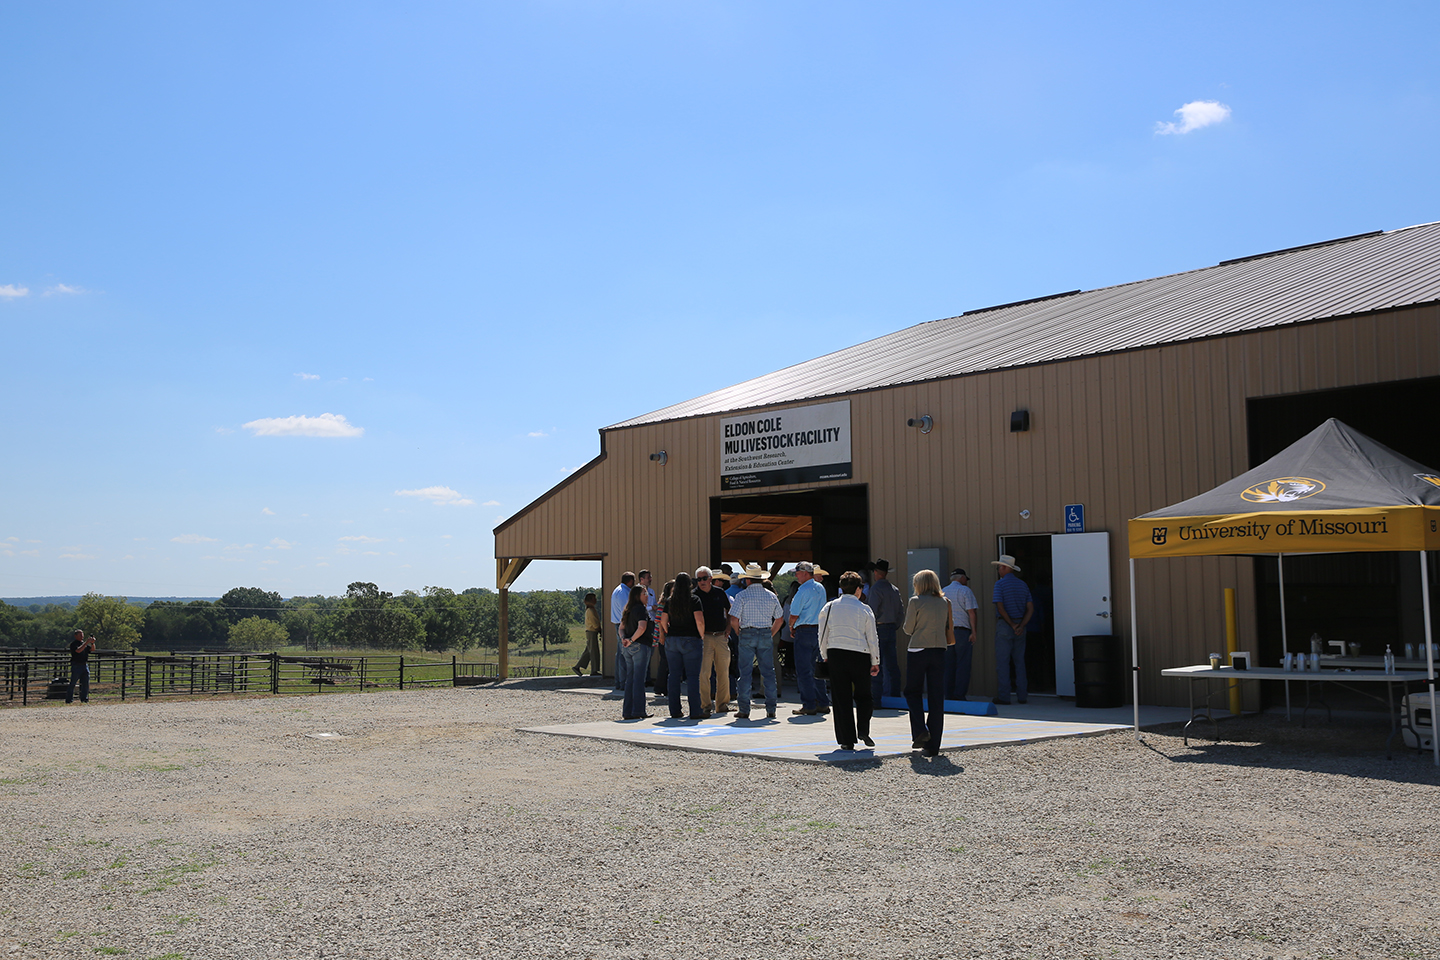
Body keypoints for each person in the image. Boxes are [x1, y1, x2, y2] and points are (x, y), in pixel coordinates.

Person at [818, 571, 881, 751]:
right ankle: (863, 729)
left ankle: (847, 739)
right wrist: (875, 660)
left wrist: (825, 655)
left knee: (841, 698)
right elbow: (872, 637)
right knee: (864, 695)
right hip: (860, 654)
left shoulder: (829, 607)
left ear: (841, 588)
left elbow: (822, 634)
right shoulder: (865, 609)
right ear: (858, 589)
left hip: (836, 653)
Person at [902, 569, 953, 757]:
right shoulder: (944, 602)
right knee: (936, 697)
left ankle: (920, 729)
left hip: (918, 649)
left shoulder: (915, 601)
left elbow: (908, 629)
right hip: (939, 650)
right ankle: (934, 746)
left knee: (912, 692)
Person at [728, 564, 785, 720]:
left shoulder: (742, 596)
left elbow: (734, 619)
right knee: (768, 672)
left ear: (747, 580)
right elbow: (780, 619)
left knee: (745, 673)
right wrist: (771, 633)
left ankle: (744, 709)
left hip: (747, 632)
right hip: (765, 631)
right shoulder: (771, 596)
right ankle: (771, 708)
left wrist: (738, 631)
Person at [659, 571, 707, 719]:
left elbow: (663, 620)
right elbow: (699, 621)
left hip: (673, 640)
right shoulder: (694, 600)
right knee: (692, 677)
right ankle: (695, 711)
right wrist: (702, 635)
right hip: (691, 639)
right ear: (689, 585)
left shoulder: (669, 600)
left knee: (673, 675)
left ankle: (675, 710)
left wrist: (668, 631)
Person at [788, 561, 830, 716]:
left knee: (804, 670)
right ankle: (823, 702)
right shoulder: (820, 588)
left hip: (804, 631)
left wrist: (792, 627)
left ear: (805, 573)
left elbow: (794, 614)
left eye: (798, 573)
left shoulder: (802, 590)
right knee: (817, 669)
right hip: (819, 631)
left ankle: (809, 704)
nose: (796, 575)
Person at [991, 554, 1034, 705]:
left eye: (999, 567)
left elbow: (1000, 606)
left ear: (1004, 568)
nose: (998, 570)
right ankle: (1022, 695)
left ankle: (1004, 696)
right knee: (1019, 662)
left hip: (1005, 625)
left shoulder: (1000, 585)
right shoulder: (1023, 585)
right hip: (1020, 626)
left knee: (1003, 662)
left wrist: (1011, 624)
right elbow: (1030, 608)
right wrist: (1021, 625)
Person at [694, 566, 733, 715]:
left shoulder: (720, 593)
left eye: (704, 578)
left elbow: (729, 611)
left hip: (721, 636)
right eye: (699, 579)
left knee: (723, 671)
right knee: (704, 673)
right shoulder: (695, 595)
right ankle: (705, 705)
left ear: (711, 579)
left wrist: (729, 626)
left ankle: (722, 704)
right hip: (704, 637)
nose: (702, 582)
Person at [866, 558, 903, 701]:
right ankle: (894, 695)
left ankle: (876, 697)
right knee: (892, 664)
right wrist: (894, 625)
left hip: (878, 628)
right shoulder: (894, 589)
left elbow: (872, 612)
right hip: (891, 628)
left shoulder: (876, 589)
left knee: (876, 663)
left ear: (876, 572)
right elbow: (901, 612)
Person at [942, 569, 980, 699]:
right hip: (962, 632)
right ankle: (959, 695)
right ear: (962, 578)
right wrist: (974, 632)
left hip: (947, 633)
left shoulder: (942, 591)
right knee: (963, 664)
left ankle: (948, 694)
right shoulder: (965, 591)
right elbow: (972, 613)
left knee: (948, 665)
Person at [618, 586, 654, 720]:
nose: (647, 596)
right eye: (645, 593)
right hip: (640, 646)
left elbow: (621, 628)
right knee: (639, 680)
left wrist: (624, 639)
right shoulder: (640, 609)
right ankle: (638, 710)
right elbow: (642, 627)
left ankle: (627, 711)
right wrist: (632, 639)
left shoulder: (627, 610)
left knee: (630, 679)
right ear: (638, 595)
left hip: (627, 648)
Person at [610, 572, 636, 692]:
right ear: (630, 581)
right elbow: (625, 611)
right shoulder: (624, 593)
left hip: (617, 623)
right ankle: (624, 682)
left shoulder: (617, 590)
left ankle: (619, 681)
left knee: (620, 653)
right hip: (623, 625)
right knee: (624, 653)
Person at [574, 593, 602, 677]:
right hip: (592, 632)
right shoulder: (591, 610)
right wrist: (599, 629)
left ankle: (577, 666)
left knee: (589, 651)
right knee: (594, 651)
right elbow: (595, 623)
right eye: (594, 599)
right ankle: (594, 670)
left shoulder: (590, 609)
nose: (596, 600)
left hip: (591, 631)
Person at [66, 629, 96, 704]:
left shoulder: (84, 644)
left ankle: (84, 699)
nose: (82, 636)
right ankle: (69, 699)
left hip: (84, 665)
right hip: (76, 665)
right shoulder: (74, 644)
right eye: (80, 635)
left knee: (85, 683)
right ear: (75, 636)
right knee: (73, 683)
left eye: (82, 635)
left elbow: (92, 650)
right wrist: (86, 643)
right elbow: (78, 650)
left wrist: (92, 643)